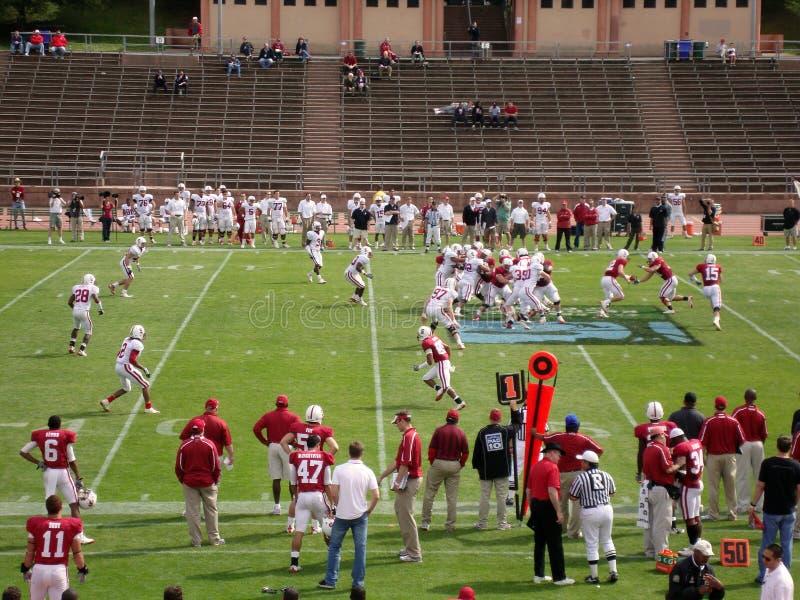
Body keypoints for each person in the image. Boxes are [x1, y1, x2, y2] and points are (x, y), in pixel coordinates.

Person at [19, 416, 93, 545]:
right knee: (74, 505)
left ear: (48, 425)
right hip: (63, 472)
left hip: (49, 473)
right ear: (60, 425)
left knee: (51, 508)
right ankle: (79, 536)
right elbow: (71, 459)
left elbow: (23, 451)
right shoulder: (65, 435)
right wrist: (77, 476)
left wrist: (38, 462)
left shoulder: (40, 435)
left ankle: (49, 536)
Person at [319, 441, 379, 591]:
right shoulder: (368, 471)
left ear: (349, 452)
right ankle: (357, 583)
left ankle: (331, 581)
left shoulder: (339, 469)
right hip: (360, 516)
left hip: (342, 516)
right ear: (361, 454)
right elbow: (376, 496)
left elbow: (333, 492)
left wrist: (338, 506)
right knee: (360, 549)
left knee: (334, 547)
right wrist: (369, 510)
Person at [536, 414, 604, 539]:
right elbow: (599, 450)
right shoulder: (584, 438)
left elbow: (542, 437)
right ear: (578, 426)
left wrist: (533, 429)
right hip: (579, 475)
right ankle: (574, 532)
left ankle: (560, 528)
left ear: (566, 426)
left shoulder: (558, 436)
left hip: (560, 474)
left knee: (561, 503)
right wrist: (587, 460)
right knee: (577, 505)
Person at [280, 404, 339, 534]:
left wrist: (293, 456)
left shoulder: (297, 427)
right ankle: (314, 526)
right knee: (317, 495)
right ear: (320, 416)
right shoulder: (323, 430)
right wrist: (323, 459)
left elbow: (283, 442)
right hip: (315, 466)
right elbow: (335, 447)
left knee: (297, 497)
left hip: (299, 465)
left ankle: (290, 525)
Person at [750, 434, 800, 584]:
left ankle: (763, 575)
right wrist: (794, 503)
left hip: (771, 510)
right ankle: (785, 575)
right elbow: (799, 489)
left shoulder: (768, 463)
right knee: (786, 543)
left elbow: (760, 486)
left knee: (767, 543)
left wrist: (753, 504)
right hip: (788, 510)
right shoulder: (796, 465)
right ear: (789, 447)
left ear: (777, 446)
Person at [21, 496, 89, 600]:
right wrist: (82, 569)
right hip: (59, 571)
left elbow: (30, 552)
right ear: (61, 507)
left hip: (39, 571)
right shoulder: (70, 525)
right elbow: (77, 553)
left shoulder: (35, 523)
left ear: (47, 508)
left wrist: (25, 568)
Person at [378, 411, 423, 563]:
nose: (396, 425)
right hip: (408, 479)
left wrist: (396, 482)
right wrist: (382, 476)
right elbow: (398, 461)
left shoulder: (409, 437)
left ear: (403, 421)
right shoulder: (408, 436)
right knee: (400, 511)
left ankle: (415, 554)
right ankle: (409, 547)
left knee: (407, 516)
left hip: (410, 480)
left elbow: (405, 464)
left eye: (397, 422)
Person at [569, 450, 619, 585]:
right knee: (607, 540)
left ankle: (594, 576)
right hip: (607, 509)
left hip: (590, 511)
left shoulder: (581, 477)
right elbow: (612, 492)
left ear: (588, 463)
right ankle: (613, 571)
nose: (581, 463)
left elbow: (572, 496)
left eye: (583, 461)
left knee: (591, 544)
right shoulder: (606, 475)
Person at [529, 441, 575, 585]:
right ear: (552, 453)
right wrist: (558, 512)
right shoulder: (553, 468)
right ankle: (559, 577)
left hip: (536, 505)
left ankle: (539, 574)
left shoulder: (535, 466)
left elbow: (528, 490)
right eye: (559, 454)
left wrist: (533, 508)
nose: (559, 457)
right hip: (548, 507)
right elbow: (552, 491)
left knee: (539, 542)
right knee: (555, 543)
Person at [288, 435, 334, 573]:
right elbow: (327, 485)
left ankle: (294, 564)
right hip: (318, 496)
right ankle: (333, 556)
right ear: (319, 444)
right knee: (328, 529)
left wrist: (296, 497)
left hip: (302, 497)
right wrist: (333, 505)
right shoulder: (324, 457)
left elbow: (293, 483)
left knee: (299, 531)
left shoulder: (296, 456)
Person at [176, 418, 224, 547]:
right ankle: (214, 539)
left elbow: (179, 467)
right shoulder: (209, 444)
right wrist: (215, 480)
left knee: (192, 512)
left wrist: (183, 480)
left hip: (190, 483)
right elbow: (215, 466)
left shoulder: (184, 445)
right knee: (211, 510)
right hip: (208, 482)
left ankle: (196, 541)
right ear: (203, 429)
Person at [472, 403, 520, 530]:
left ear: (490, 418)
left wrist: (478, 468)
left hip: (486, 472)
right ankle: (502, 524)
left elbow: (476, 453)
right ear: (500, 419)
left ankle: (482, 524)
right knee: (501, 498)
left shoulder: (482, 432)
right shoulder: (505, 431)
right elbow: (517, 425)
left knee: (484, 497)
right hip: (502, 470)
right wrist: (514, 409)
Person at [420, 409, 469, 532]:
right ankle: (450, 525)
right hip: (454, 465)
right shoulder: (461, 433)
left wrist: (433, 462)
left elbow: (431, 450)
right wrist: (460, 465)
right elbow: (466, 453)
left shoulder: (439, 431)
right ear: (457, 420)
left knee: (430, 494)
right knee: (451, 498)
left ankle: (425, 523)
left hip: (438, 463)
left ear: (446, 418)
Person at [252, 395, 301, 515]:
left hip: (273, 447)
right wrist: (295, 443)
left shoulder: (268, 416)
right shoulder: (293, 417)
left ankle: (277, 506)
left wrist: (264, 441)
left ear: (276, 404)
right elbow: (300, 430)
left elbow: (256, 429)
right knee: (292, 479)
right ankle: (293, 505)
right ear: (287, 404)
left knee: (276, 478)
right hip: (287, 447)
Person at [699, 396, 745, 521]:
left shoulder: (709, 422)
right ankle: (732, 514)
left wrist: (702, 457)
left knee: (714, 487)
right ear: (725, 406)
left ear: (715, 406)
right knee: (731, 487)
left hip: (713, 457)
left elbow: (702, 442)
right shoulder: (733, 421)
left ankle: (714, 514)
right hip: (730, 457)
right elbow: (742, 440)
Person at [100, 324, 159, 414]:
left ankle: (106, 401)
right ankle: (148, 408)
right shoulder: (137, 344)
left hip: (118, 365)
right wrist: (144, 368)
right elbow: (132, 359)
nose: (143, 335)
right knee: (145, 384)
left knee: (126, 388)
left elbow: (119, 353)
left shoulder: (127, 339)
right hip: (125, 366)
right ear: (138, 334)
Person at [641, 427, 681, 557]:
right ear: (659, 436)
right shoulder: (661, 448)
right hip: (660, 489)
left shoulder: (648, 448)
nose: (665, 438)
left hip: (648, 487)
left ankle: (650, 550)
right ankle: (661, 553)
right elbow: (669, 469)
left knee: (650, 522)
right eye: (664, 436)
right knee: (662, 523)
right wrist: (680, 464)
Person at [669, 428, 705, 556]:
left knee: (689, 518)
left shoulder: (682, 447)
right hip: (698, 483)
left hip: (689, 486)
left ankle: (693, 547)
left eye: (673, 441)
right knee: (696, 516)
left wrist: (674, 471)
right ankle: (698, 543)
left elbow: (680, 463)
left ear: (677, 439)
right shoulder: (696, 442)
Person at [732, 389, 768, 514]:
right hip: (758, 444)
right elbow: (764, 434)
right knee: (760, 475)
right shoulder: (761, 413)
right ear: (755, 398)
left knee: (743, 475)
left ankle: (743, 505)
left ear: (744, 397)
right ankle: (760, 505)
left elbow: (733, 428)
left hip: (744, 444)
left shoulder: (738, 411)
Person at [414, 324, 466, 407]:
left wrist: (418, 367)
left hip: (441, 363)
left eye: (420, 335)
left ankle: (460, 403)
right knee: (426, 378)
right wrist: (448, 361)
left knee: (446, 386)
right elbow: (447, 348)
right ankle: (439, 389)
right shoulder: (434, 337)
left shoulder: (426, 343)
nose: (419, 336)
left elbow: (429, 362)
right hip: (442, 362)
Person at [179, 399, 234, 471]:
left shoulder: (194, 421)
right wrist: (231, 456)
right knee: (214, 481)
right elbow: (228, 443)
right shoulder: (221, 423)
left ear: (205, 408)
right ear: (216, 408)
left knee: (195, 477)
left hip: (195, 457)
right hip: (215, 457)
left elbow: (184, 439)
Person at [67, 273, 102, 356]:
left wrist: (76, 309)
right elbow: (96, 300)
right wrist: (100, 309)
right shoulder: (92, 288)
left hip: (75, 311)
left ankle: (71, 346)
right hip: (84, 312)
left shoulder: (77, 288)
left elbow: (69, 302)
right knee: (89, 332)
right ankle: (81, 350)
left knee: (76, 328)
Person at [689, 253, 723, 330]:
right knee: (717, 306)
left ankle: (717, 318)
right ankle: (716, 320)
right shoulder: (718, 267)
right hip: (715, 287)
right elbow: (720, 280)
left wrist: (696, 280)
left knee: (713, 303)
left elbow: (690, 274)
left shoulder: (701, 266)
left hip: (705, 290)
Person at [598, 249, 634, 318]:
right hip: (610, 279)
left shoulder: (614, 261)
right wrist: (627, 279)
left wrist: (628, 277)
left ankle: (601, 313)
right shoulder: (622, 260)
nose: (627, 258)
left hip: (604, 279)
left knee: (609, 298)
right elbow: (620, 271)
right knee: (621, 296)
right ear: (624, 255)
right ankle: (604, 302)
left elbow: (617, 273)